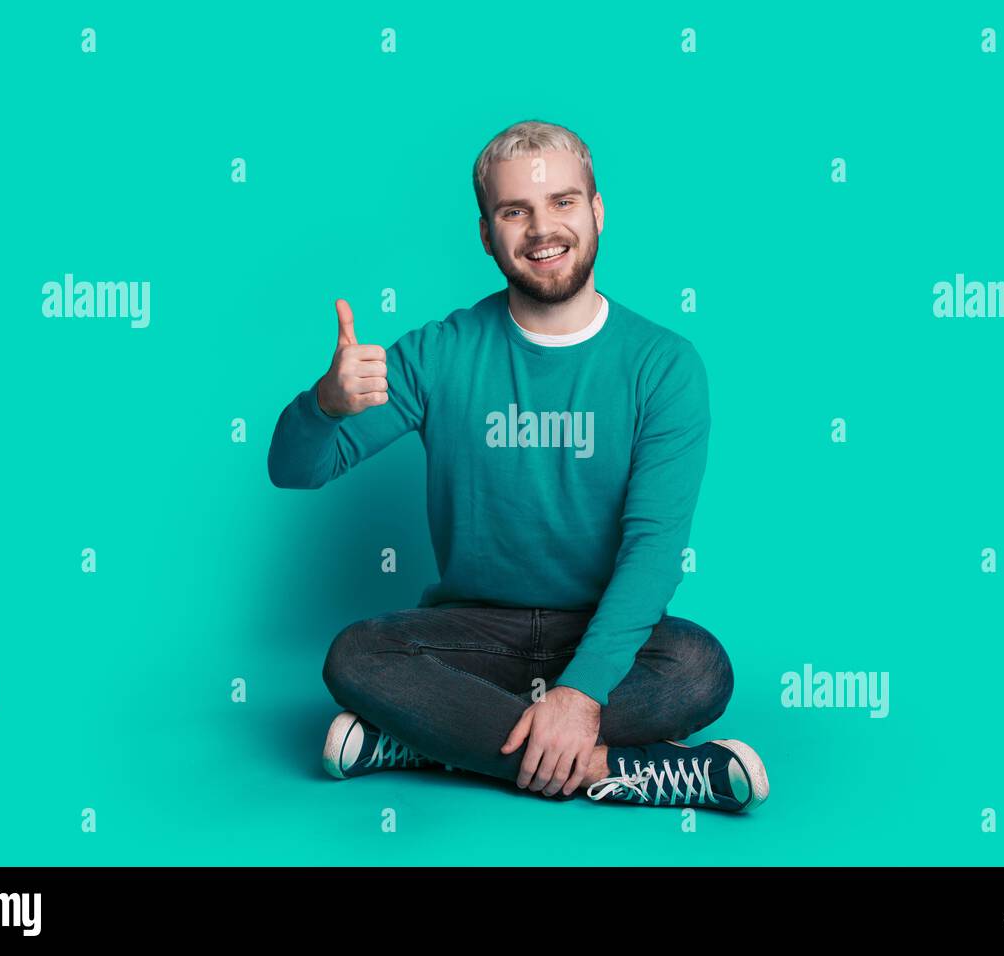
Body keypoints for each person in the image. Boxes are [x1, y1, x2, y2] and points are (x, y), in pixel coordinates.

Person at [268, 120, 769, 812]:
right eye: (515, 211)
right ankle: (618, 772)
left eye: (563, 202)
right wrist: (321, 405)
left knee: (699, 669)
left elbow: (654, 550)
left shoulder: (664, 365)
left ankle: (425, 742)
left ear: (597, 212)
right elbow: (296, 470)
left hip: (599, 633)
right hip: (472, 636)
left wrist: (582, 691)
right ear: (486, 234)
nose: (542, 229)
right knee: (356, 656)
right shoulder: (438, 353)